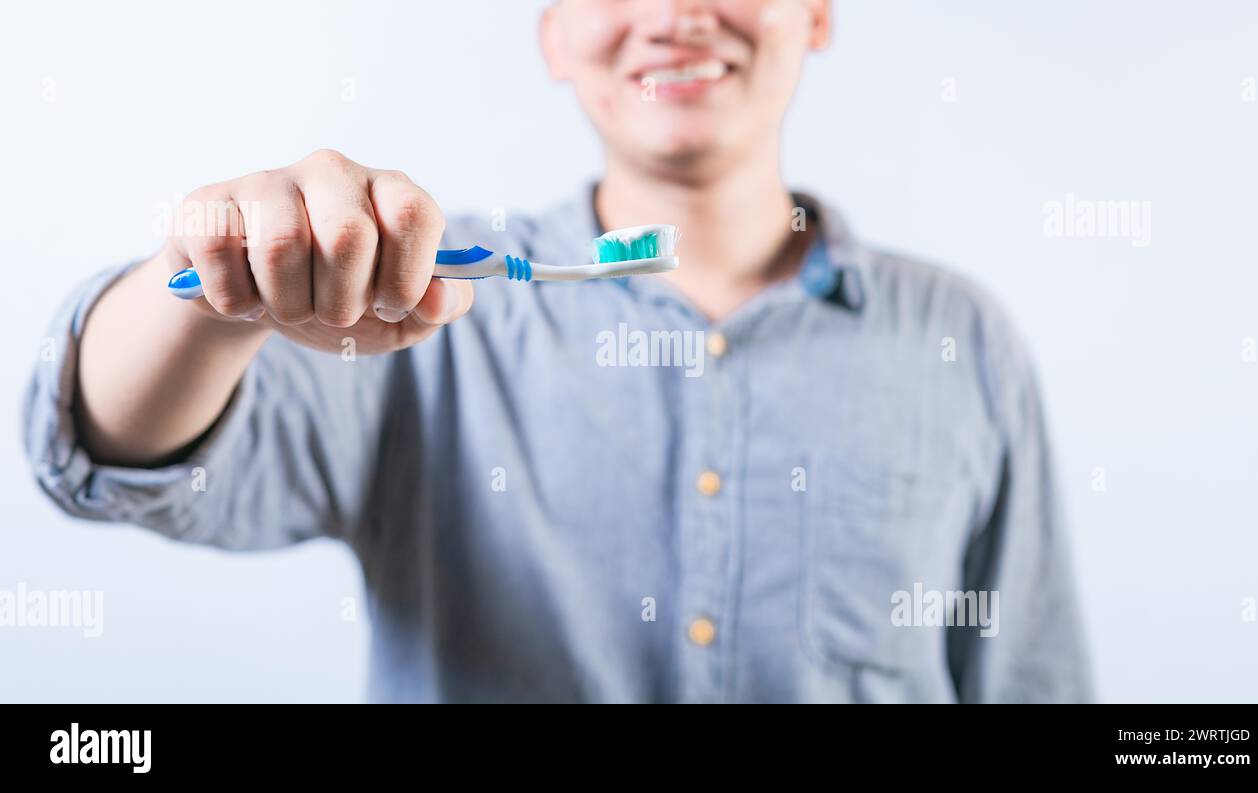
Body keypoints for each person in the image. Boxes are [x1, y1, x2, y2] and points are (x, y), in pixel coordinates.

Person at [25, 0, 1091, 703]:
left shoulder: (962, 343)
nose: (676, 16)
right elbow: (115, 455)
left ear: (815, 13)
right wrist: (217, 296)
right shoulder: (420, 301)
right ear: (551, 31)